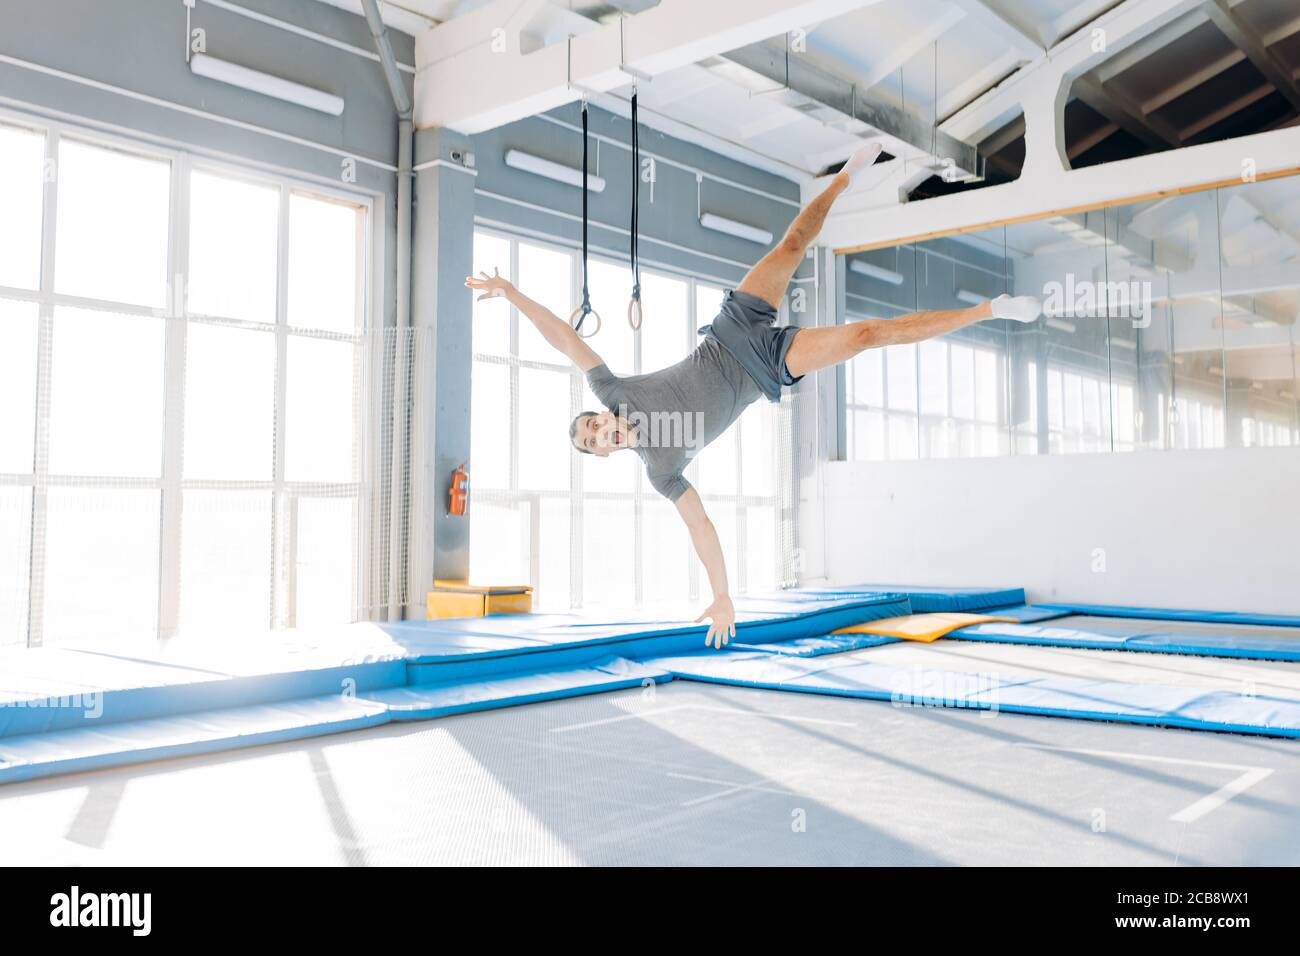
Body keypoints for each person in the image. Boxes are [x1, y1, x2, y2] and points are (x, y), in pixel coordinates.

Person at [466, 143, 1042, 648]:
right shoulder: (662, 470)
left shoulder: (610, 388)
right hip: (766, 367)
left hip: (731, 330)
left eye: (593, 425)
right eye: (595, 443)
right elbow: (701, 528)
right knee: (866, 336)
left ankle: (843, 178)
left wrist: (512, 291)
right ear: (605, 455)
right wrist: (722, 596)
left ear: (600, 415)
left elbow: (565, 338)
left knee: (792, 243)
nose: (601, 432)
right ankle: (988, 309)